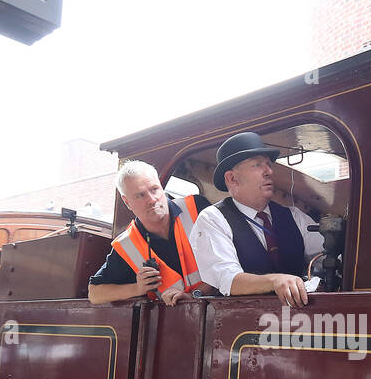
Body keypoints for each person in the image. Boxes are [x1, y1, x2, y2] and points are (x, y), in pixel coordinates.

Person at [189, 132, 324, 308]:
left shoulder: (294, 216)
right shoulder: (212, 219)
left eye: (268, 164)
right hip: (247, 324)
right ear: (232, 178)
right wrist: (275, 280)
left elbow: (326, 254)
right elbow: (228, 280)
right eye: (257, 165)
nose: (269, 171)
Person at [88, 160, 210, 307]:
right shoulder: (128, 244)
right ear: (127, 202)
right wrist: (137, 288)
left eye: (154, 189)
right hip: (176, 323)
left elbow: (235, 256)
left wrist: (195, 294)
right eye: (140, 195)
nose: (151, 200)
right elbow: (94, 293)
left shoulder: (198, 209)